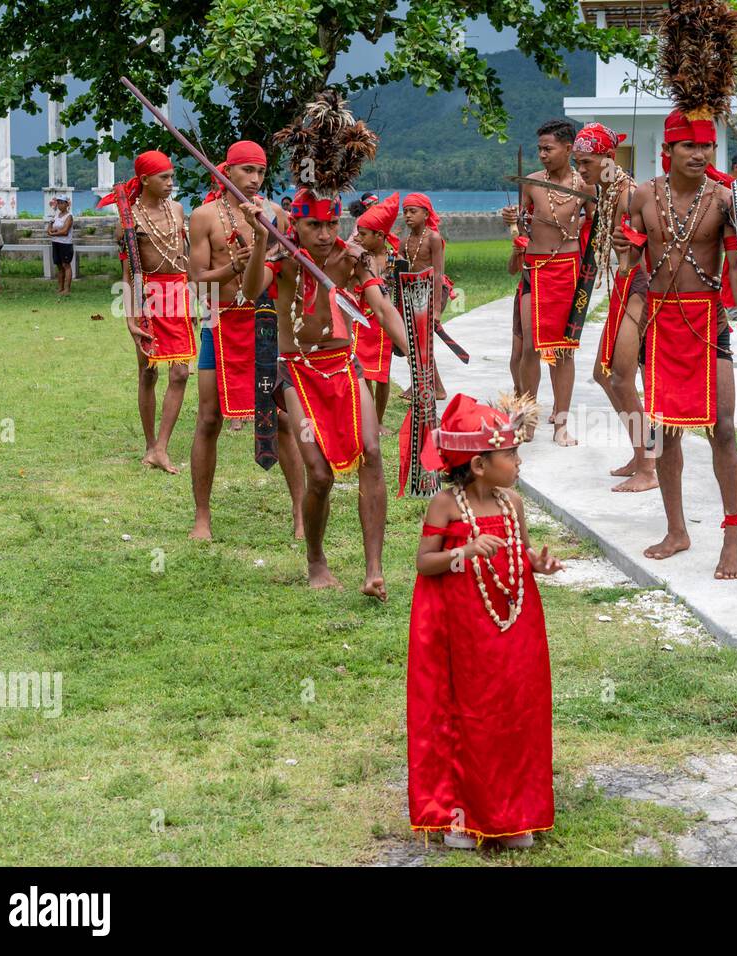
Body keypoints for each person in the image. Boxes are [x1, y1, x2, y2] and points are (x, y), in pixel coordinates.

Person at [407, 392, 562, 849]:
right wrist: (465, 552)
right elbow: (424, 563)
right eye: (509, 453)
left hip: (514, 621)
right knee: (466, 710)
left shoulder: (512, 502)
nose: (517, 461)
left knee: (515, 708)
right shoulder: (445, 507)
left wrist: (539, 564)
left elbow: (522, 550)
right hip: (461, 624)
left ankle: (514, 813)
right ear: (477, 464)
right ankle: (462, 815)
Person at [614, 108, 737, 580]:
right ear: (667, 151)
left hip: (709, 321)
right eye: (689, 146)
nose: (700, 154)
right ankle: (677, 531)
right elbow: (629, 258)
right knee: (666, 431)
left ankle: (732, 537)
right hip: (661, 321)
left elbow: (735, 266)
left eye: (707, 145)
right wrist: (622, 245)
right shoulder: (643, 196)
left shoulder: (727, 199)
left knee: (724, 429)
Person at [238, 187, 390, 598]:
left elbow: (377, 303)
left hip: (344, 365)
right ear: (295, 224)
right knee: (319, 474)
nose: (324, 234)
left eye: (331, 224)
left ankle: (373, 569)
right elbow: (252, 292)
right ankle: (315, 559)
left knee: (371, 453)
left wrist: (405, 337)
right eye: (313, 225)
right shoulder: (281, 258)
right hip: (297, 370)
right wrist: (258, 240)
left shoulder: (350, 258)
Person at [187, 140, 307, 540]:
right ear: (227, 172)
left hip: (266, 324)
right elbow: (196, 279)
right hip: (219, 324)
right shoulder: (203, 217)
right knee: (208, 419)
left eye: (260, 172)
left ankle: (300, 514)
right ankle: (202, 517)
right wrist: (228, 270)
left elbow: (285, 272)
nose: (255, 179)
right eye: (246, 171)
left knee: (285, 420)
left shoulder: (276, 216)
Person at [573, 122, 657, 493]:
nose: (581, 169)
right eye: (577, 162)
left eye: (586, 161)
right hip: (624, 287)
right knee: (604, 375)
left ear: (607, 159)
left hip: (641, 288)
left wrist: (634, 242)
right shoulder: (607, 191)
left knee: (621, 376)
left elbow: (657, 246)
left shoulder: (629, 194)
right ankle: (641, 455)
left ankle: (650, 466)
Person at [102, 151, 195, 474]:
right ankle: (149, 443)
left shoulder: (179, 210)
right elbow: (128, 272)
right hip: (148, 297)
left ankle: (162, 448)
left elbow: (186, 259)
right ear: (144, 181)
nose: (171, 183)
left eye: (172, 176)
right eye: (164, 178)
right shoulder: (129, 221)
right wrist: (130, 318)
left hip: (178, 294)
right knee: (148, 372)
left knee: (181, 372)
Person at [500, 119, 588, 445]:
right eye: (539, 149)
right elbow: (521, 228)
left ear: (568, 148)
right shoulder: (532, 183)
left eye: (548, 149)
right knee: (529, 350)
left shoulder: (585, 185)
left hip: (567, 271)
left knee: (564, 351)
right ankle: (528, 417)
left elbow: (596, 229)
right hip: (533, 270)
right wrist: (513, 221)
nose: (542, 155)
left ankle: (561, 423)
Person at [350, 193, 410, 432]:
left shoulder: (396, 260)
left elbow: (401, 292)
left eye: (363, 234)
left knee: (382, 374)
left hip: (383, 323)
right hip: (359, 319)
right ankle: (363, 420)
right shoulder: (356, 257)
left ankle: (379, 420)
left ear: (380, 236)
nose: (358, 237)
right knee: (360, 372)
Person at [399, 192, 450, 402]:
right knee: (415, 342)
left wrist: (436, 309)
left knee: (422, 342)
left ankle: (431, 387)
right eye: (405, 212)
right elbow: (400, 269)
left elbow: (438, 274)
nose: (408, 216)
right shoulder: (405, 240)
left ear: (426, 213)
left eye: (413, 211)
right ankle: (427, 384)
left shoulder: (434, 238)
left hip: (433, 292)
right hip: (413, 293)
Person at [47, 195, 74, 295]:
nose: (60, 205)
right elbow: (50, 228)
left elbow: (65, 231)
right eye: (58, 203)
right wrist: (51, 228)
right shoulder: (56, 216)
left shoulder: (69, 216)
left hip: (65, 243)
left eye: (62, 203)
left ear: (67, 204)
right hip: (56, 242)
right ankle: (60, 287)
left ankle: (67, 289)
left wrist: (53, 233)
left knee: (66, 265)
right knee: (59, 266)